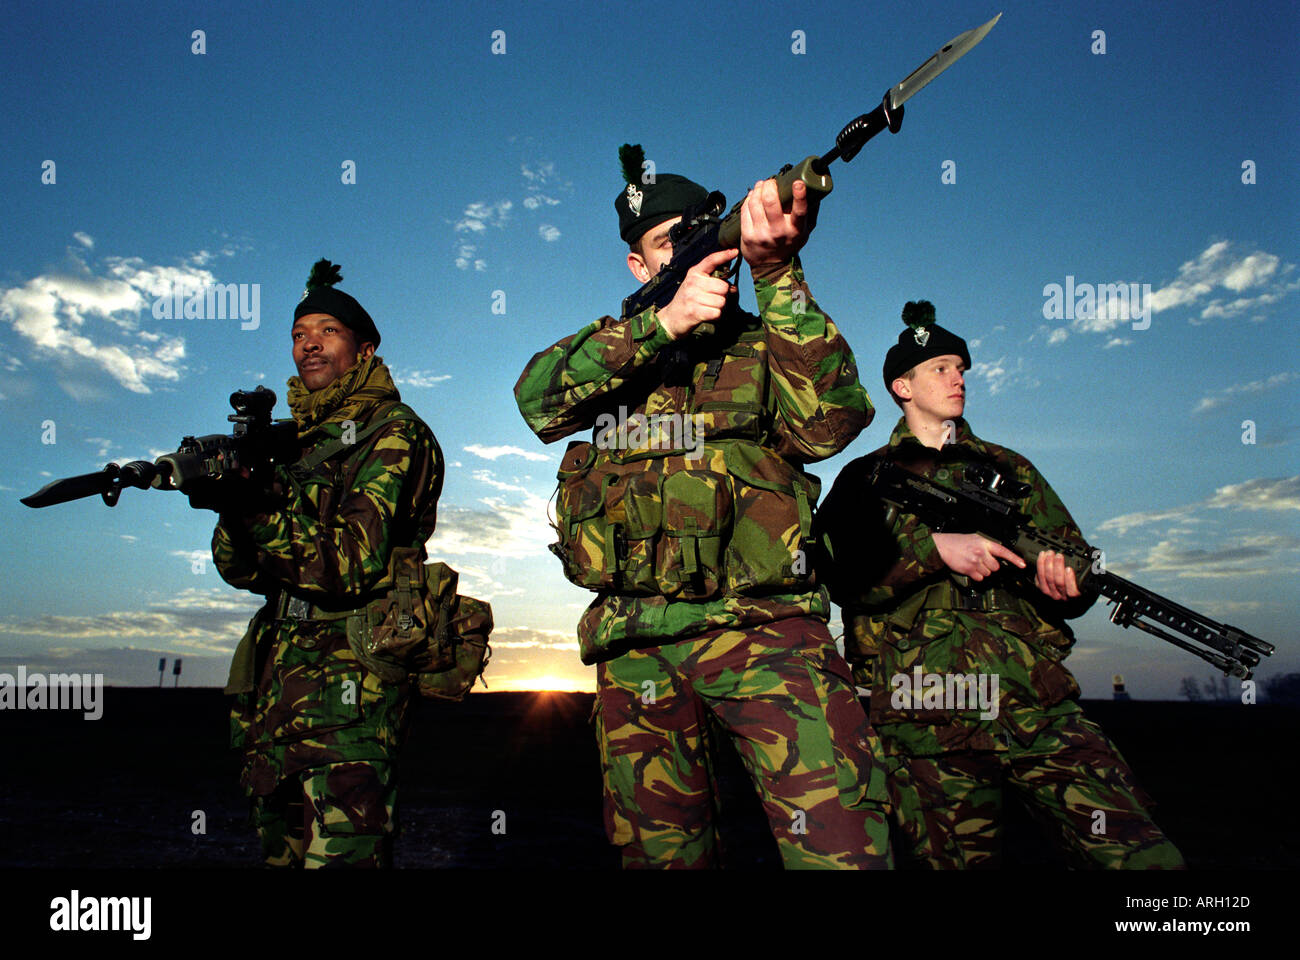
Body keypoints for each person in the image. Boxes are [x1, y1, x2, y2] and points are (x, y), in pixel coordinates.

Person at [513, 146, 892, 869]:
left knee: (843, 848)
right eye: (668, 241)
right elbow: (536, 401)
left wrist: (777, 272)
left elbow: (831, 424)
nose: (688, 248)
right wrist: (661, 326)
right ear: (639, 265)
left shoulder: (763, 344)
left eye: (699, 229)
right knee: (660, 857)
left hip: (765, 632)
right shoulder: (617, 351)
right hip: (635, 645)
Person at [816, 300, 1184, 868]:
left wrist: (1068, 587)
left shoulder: (1011, 469)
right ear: (901, 387)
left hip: (1034, 703)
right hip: (924, 718)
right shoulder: (865, 477)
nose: (958, 378)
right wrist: (935, 550)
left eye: (961, 368)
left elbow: (1072, 561)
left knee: (1141, 856)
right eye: (940, 367)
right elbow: (836, 574)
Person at [193, 259, 443, 868]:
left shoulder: (393, 431)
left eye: (328, 331)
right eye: (299, 334)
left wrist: (258, 507)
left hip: (350, 687)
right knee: (280, 855)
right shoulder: (292, 443)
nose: (310, 343)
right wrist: (233, 503)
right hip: (278, 685)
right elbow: (241, 571)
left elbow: (352, 562)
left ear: (365, 349)